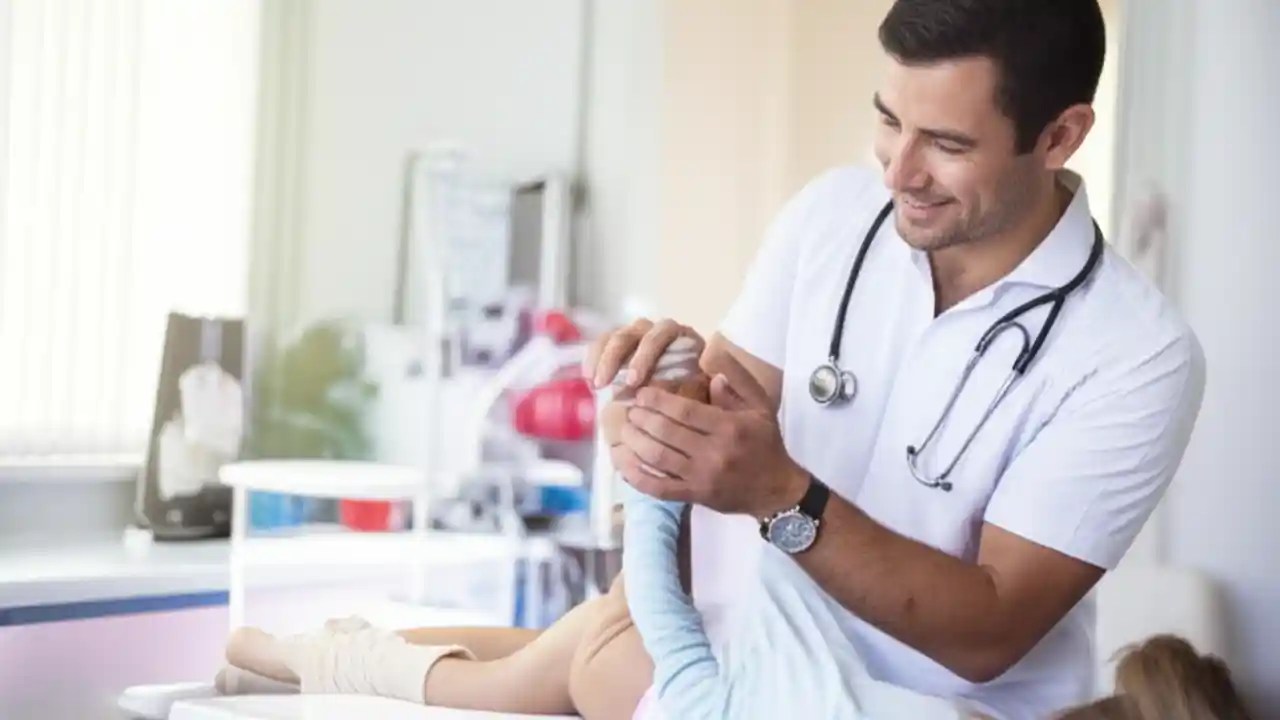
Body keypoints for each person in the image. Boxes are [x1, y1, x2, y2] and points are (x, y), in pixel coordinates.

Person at [221, 0, 1206, 717]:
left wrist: (784, 496)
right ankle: (303, 659)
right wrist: (653, 399)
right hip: (756, 641)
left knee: (584, 656)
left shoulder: (1131, 354)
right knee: (579, 650)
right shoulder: (833, 218)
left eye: (944, 142)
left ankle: (306, 659)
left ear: (1060, 136)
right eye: (885, 119)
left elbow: (988, 632)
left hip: (934, 705)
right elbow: (719, 394)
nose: (897, 171)